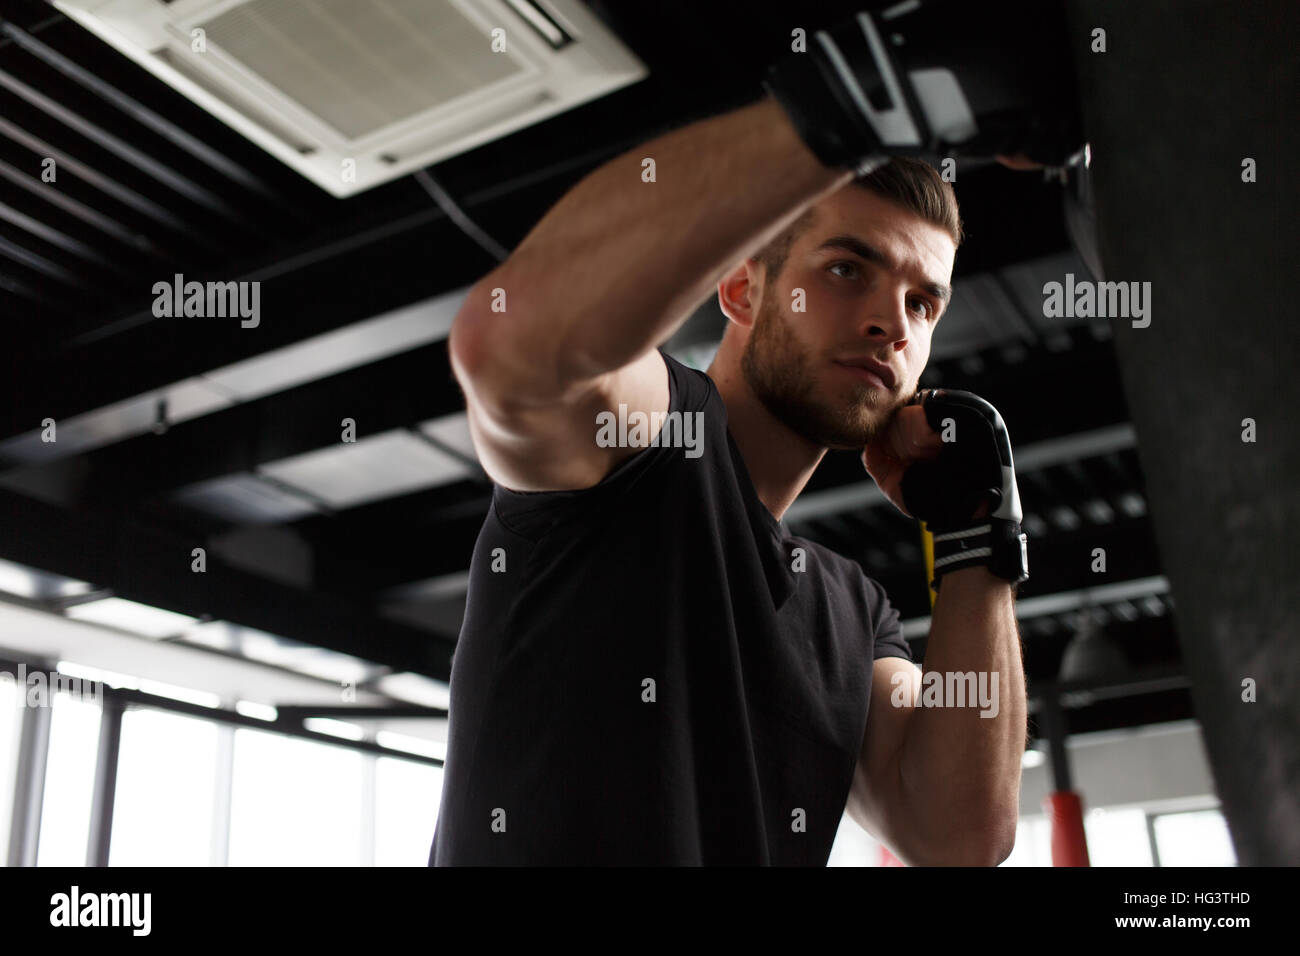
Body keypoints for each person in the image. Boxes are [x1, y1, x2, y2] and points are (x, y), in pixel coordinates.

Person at [429, 89, 1034, 865]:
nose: (894, 323)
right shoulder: (652, 438)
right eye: (848, 269)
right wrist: (862, 97)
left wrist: (977, 536)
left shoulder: (852, 612)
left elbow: (959, 835)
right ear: (743, 289)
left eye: (924, 303)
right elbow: (502, 345)